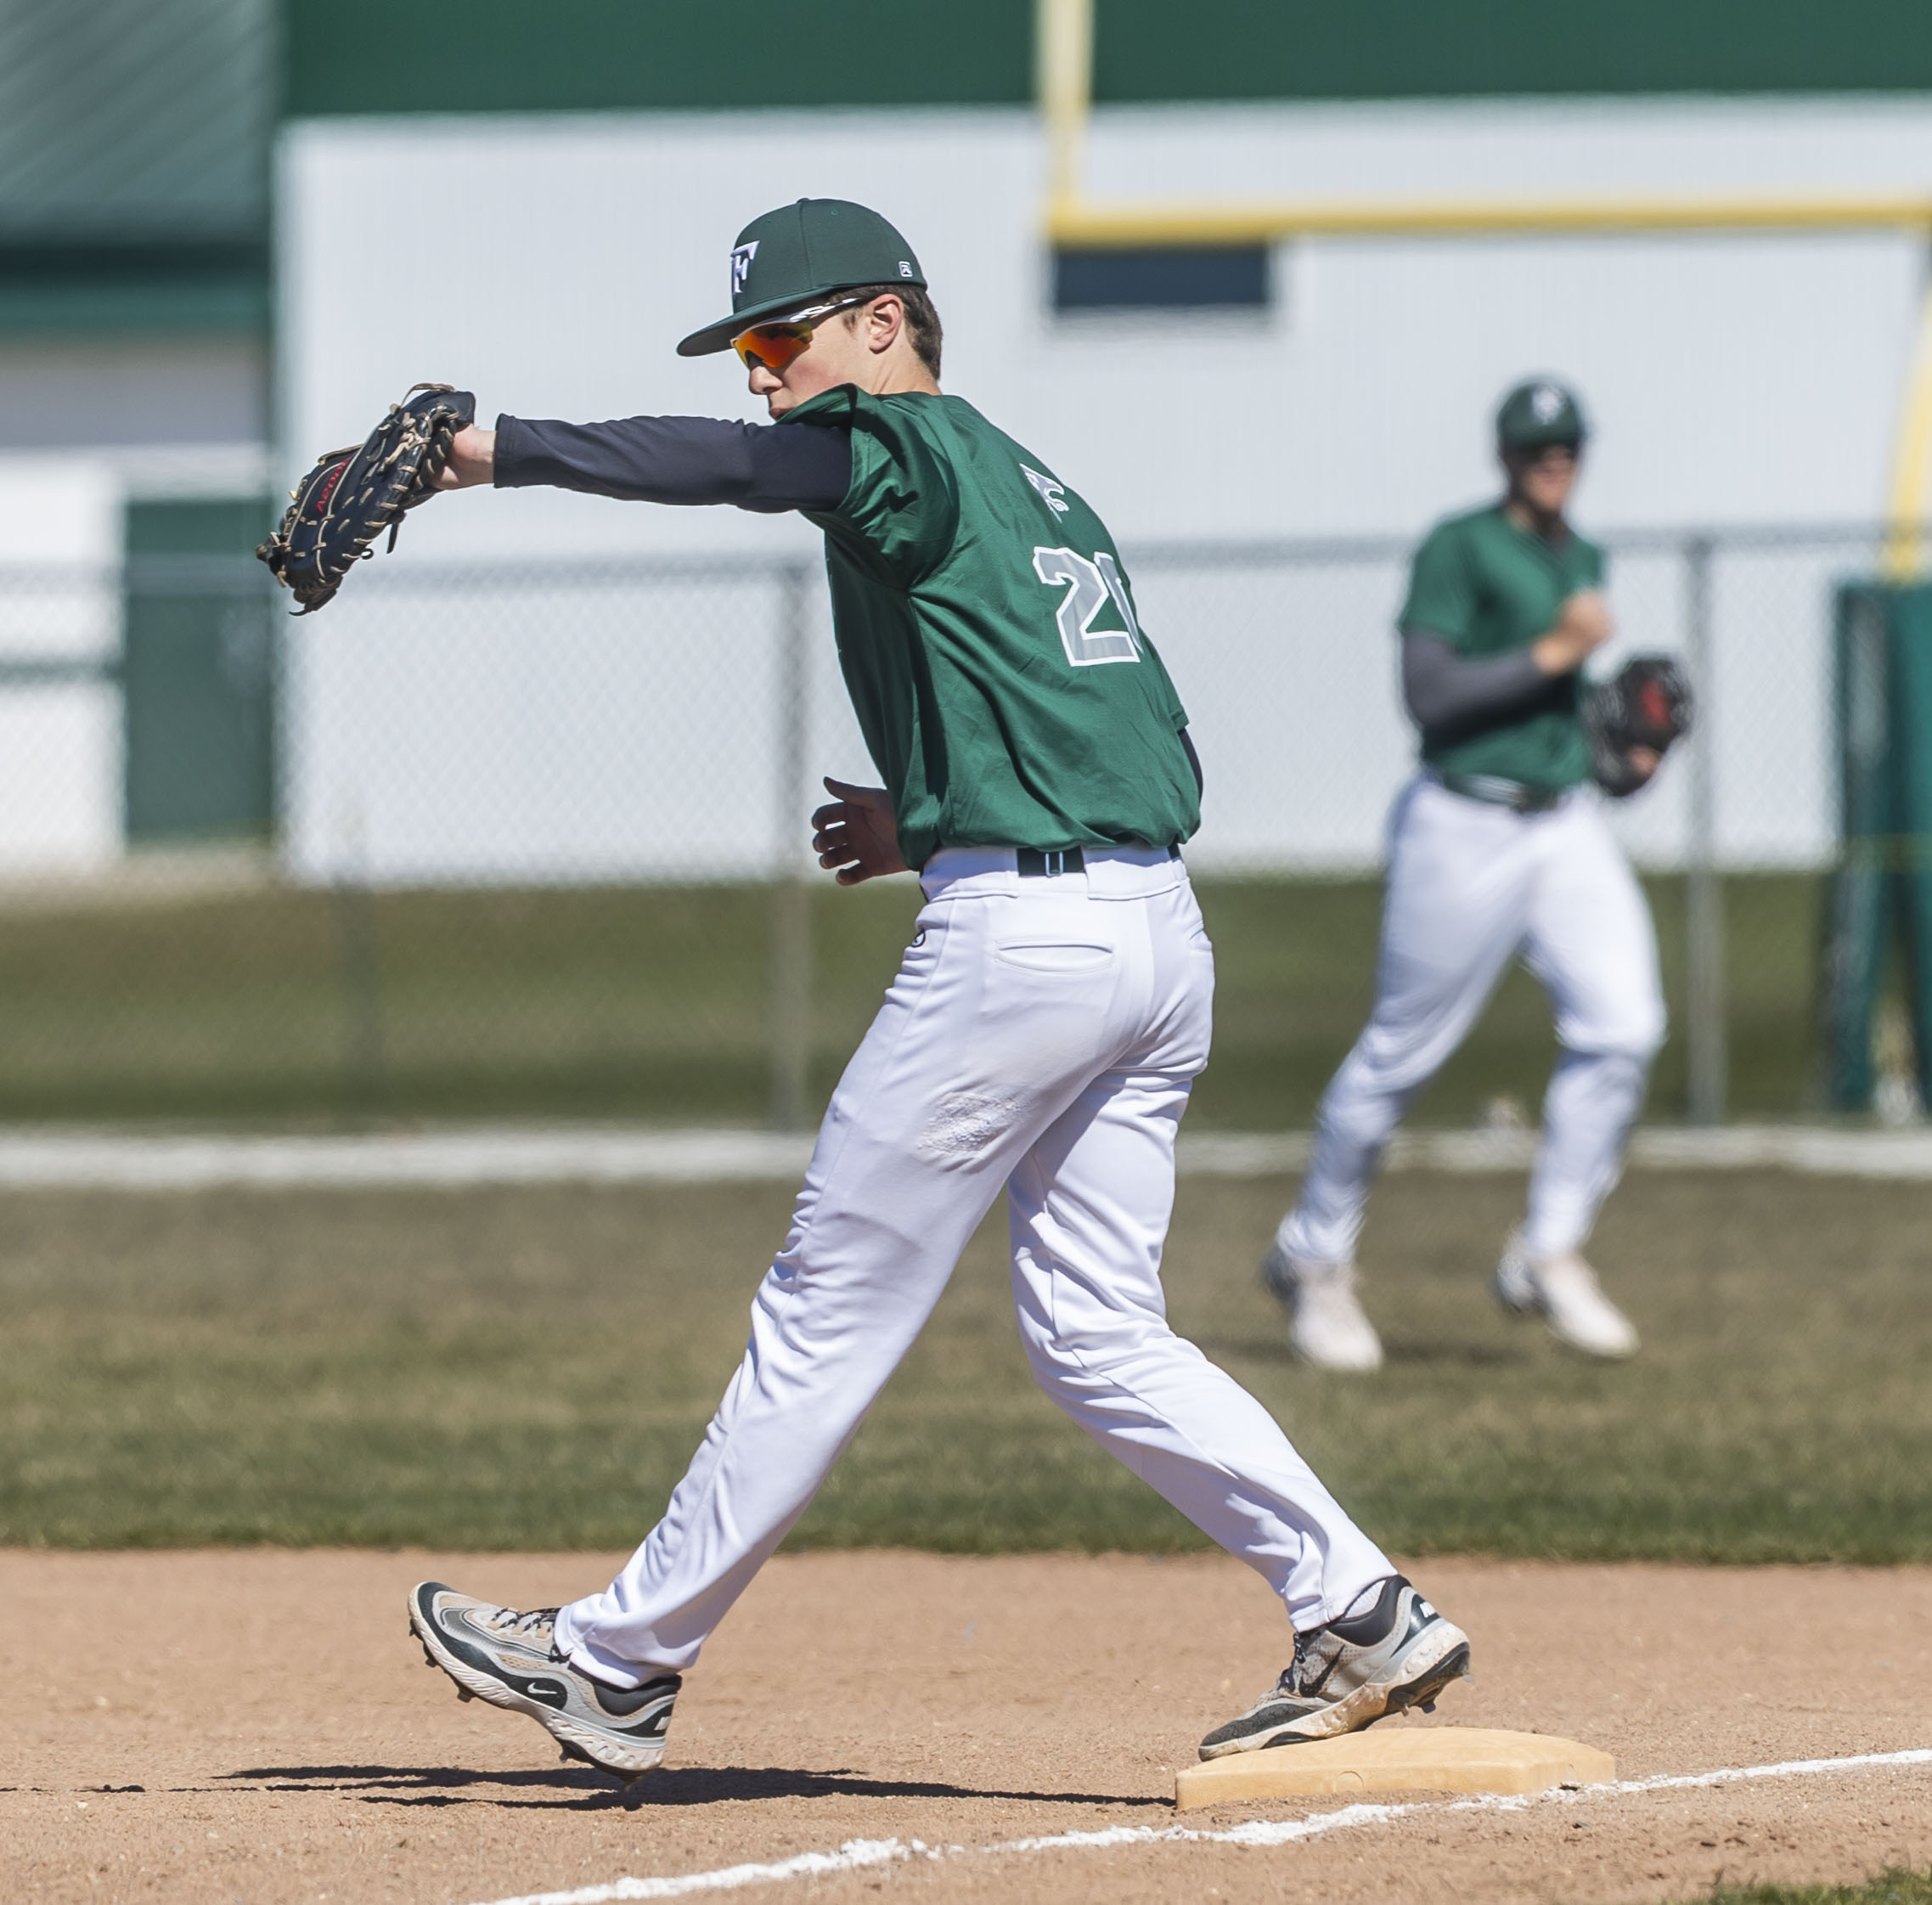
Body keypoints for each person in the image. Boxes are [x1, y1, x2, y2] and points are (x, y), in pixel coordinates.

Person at [401, 198, 1468, 1783]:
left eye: (781, 339)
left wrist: (495, 449)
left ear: (884, 320)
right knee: (1098, 1331)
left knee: (827, 1305)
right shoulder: (1033, 482)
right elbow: (1145, 740)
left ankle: (619, 1662)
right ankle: (1361, 1609)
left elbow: (750, 470)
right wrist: (938, 805)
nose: (763, 378)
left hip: (1023, 950)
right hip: (1155, 933)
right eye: (747, 352)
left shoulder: (894, 446)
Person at [1262, 379, 1670, 1372]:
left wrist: (1620, 751)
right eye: (1536, 446)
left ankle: (1546, 1250)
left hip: (1561, 816)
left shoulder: (1577, 552)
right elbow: (1428, 693)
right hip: (1462, 819)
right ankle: (1314, 1259)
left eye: (1566, 443)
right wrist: (1554, 651)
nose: (1553, 458)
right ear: (1504, 455)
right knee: (1400, 1052)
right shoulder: (1459, 546)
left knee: (1624, 1025)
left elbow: (1554, 708)